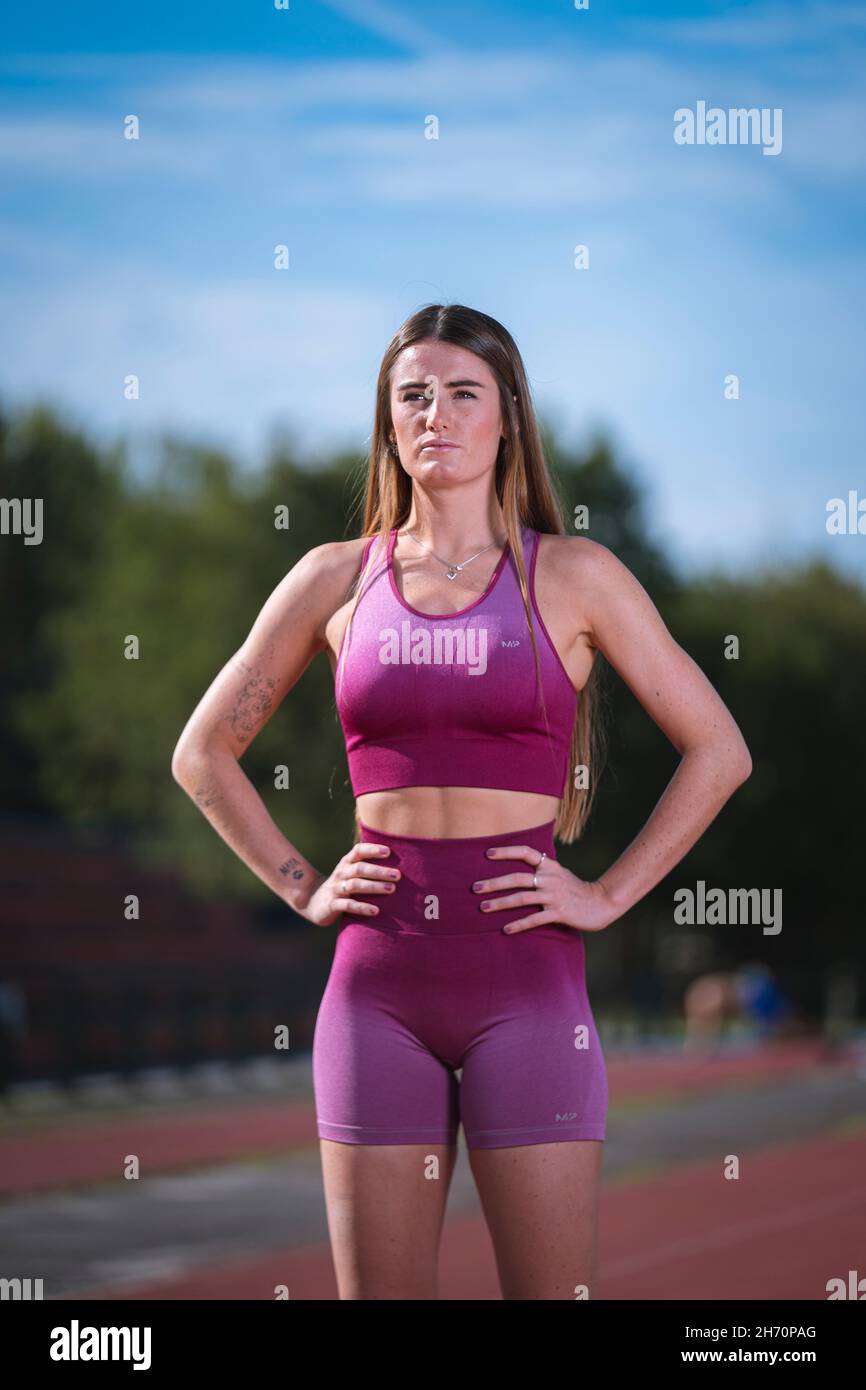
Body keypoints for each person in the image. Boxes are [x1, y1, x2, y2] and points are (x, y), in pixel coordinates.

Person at [171, 302, 752, 1300]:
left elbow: (717, 749)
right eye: (411, 394)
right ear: (387, 421)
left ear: (508, 418)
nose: (433, 412)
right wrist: (302, 885)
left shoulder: (570, 576)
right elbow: (203, 753)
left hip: (525, 986)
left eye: (461, 392)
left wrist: (606, 893)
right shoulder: (332, 580)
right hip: (373, 990)